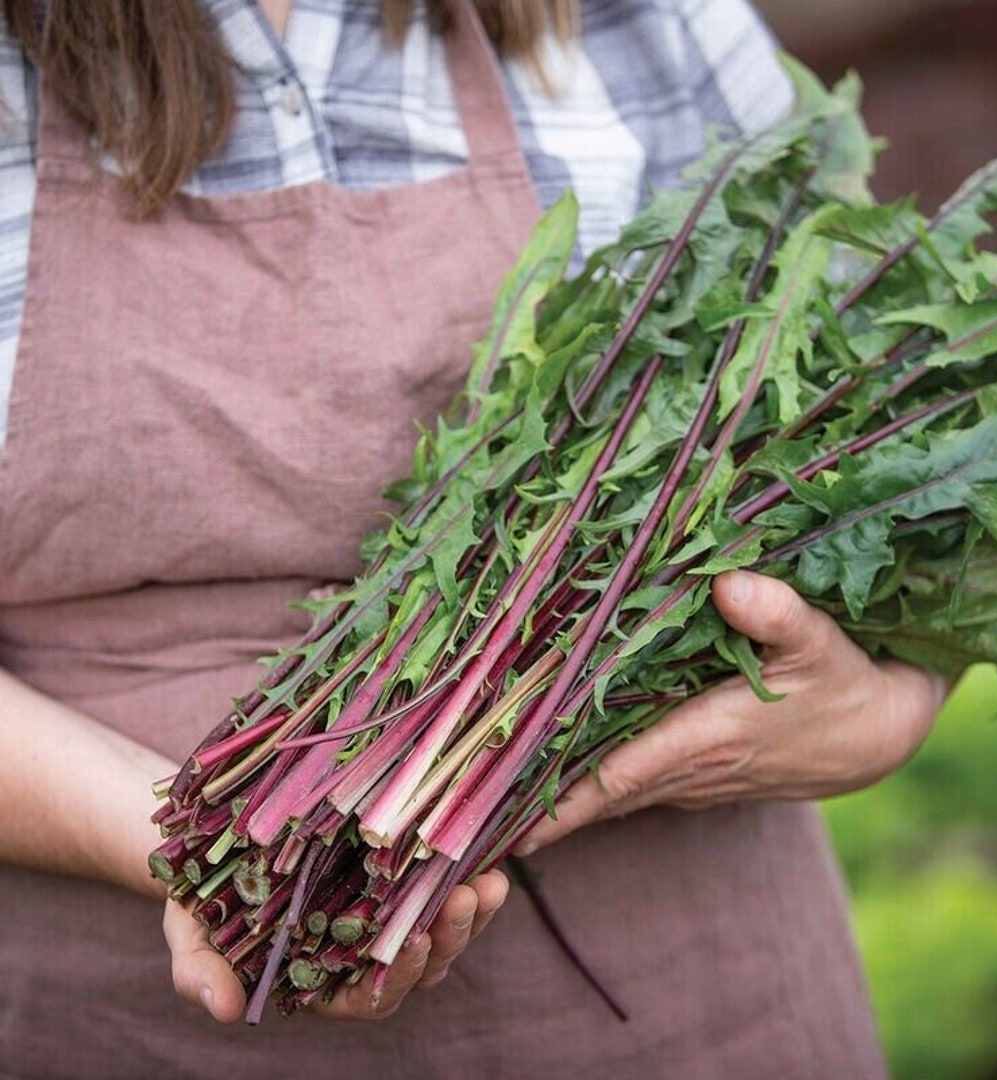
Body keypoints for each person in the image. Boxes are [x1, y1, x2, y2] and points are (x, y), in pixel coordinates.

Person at [0, 1, 946, 1076]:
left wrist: (894, 709)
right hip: (103, 1023)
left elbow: (891, 390)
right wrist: (173, 844)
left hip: (700, 996)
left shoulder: (642, 19)